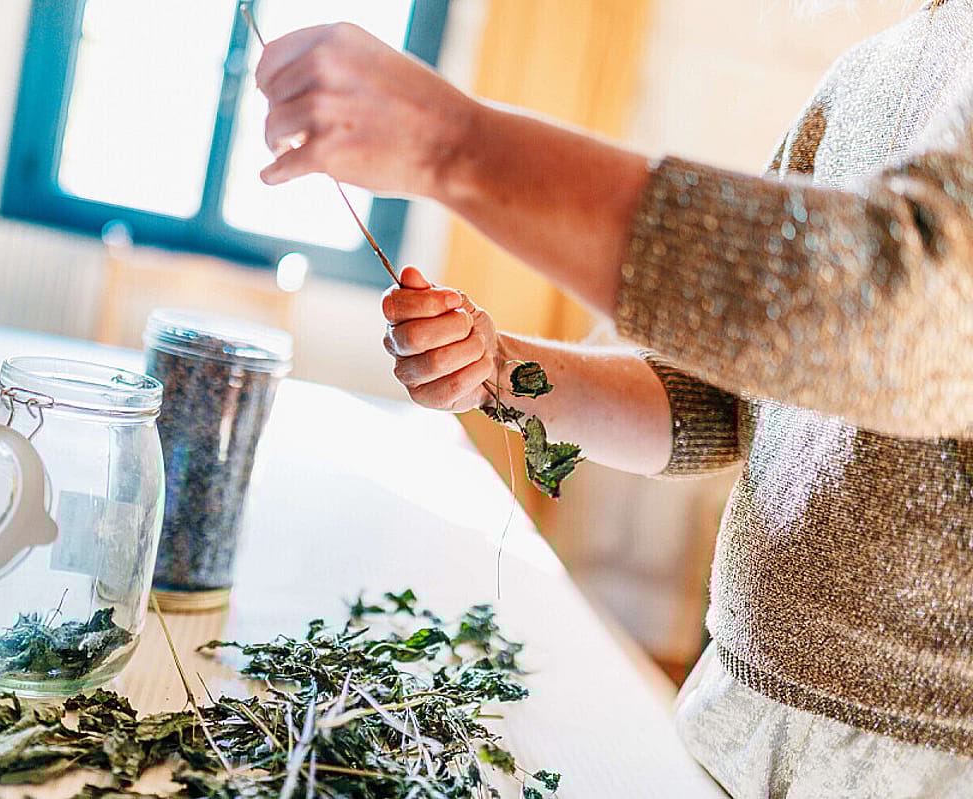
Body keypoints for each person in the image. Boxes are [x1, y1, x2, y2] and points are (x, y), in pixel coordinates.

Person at [255, 1, 973, 797]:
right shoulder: (873, 64)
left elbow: (905, 306)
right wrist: (498, 366)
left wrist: (454, 143)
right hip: (737, 708)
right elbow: (717, 398)